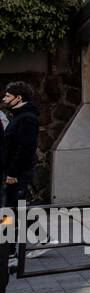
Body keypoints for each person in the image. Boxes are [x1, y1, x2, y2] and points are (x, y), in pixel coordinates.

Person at [1, 82, 38, 211]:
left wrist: (13, 172)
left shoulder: (26, 118)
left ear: (18, 98)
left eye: (7, 96)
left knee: (12, 207)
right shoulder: (18, 116)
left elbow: (26, 148)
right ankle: (9, 229)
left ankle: (8, 230)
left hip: (18, 173)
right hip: (14, 171)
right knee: (14, 207)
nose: (4, 99)